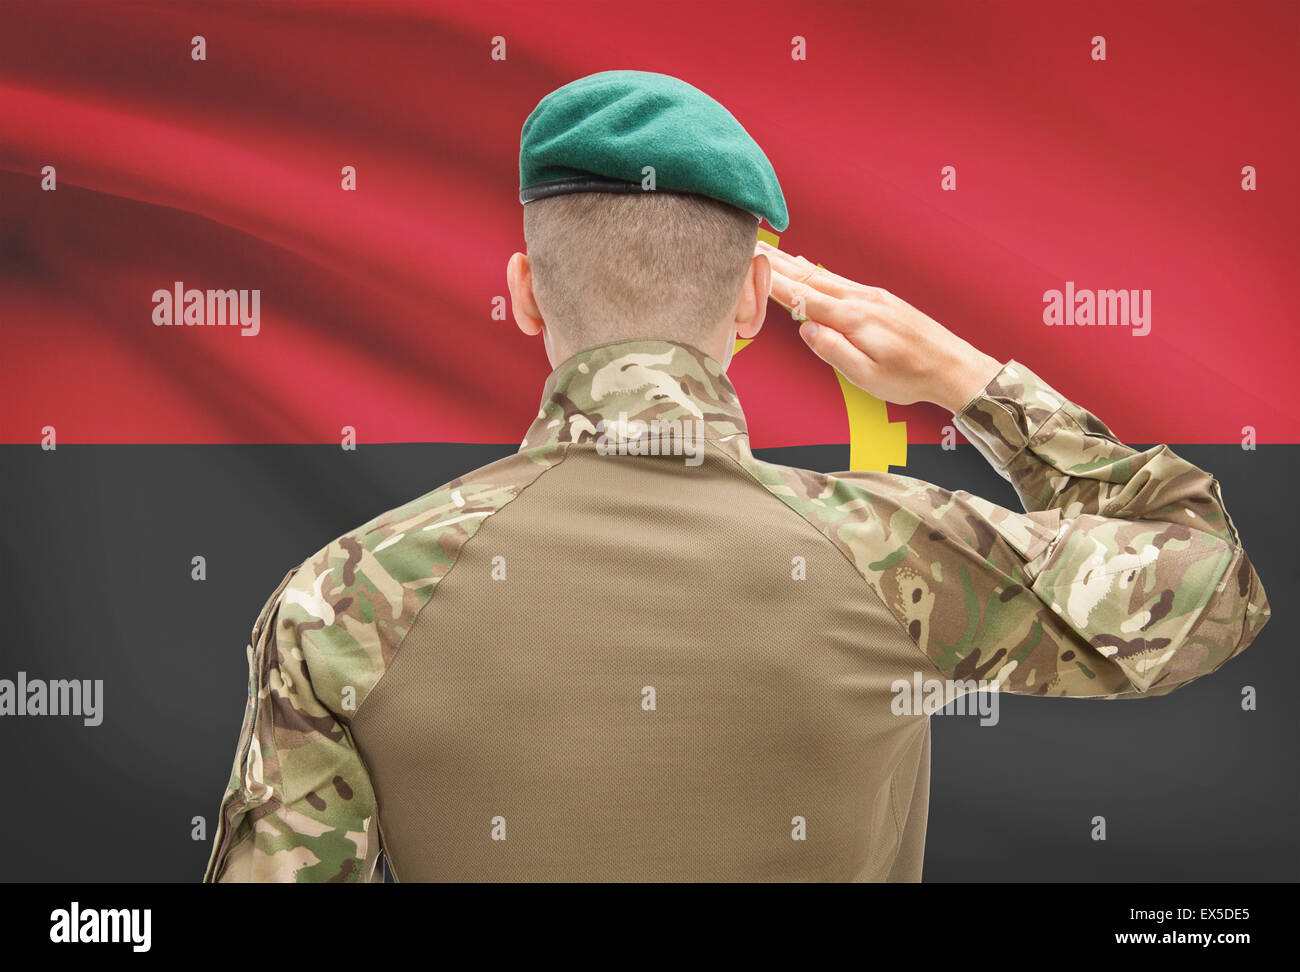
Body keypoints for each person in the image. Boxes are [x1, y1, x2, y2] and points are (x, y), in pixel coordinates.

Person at [203, 70, 1270, 882]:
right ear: (756, 300)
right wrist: (967, 380)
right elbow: (1211, 587)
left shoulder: (339, 598)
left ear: (526, 293)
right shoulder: (895, 554)